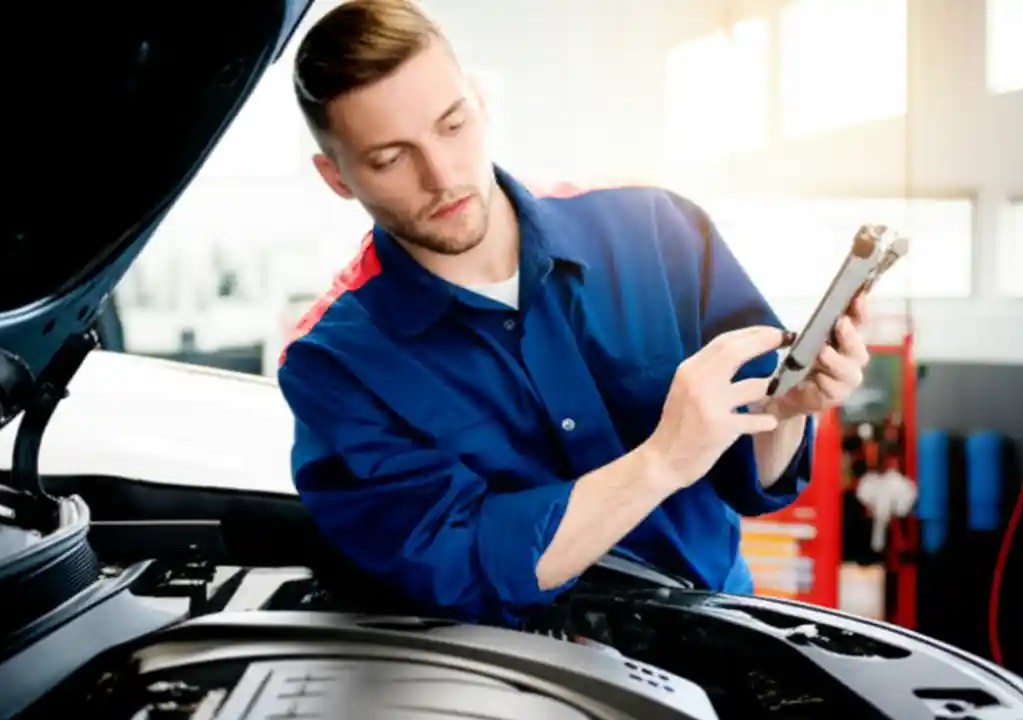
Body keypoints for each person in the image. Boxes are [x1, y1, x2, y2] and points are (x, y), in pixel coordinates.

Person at [277, 0, 870, 628]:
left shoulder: (656, 230)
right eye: (391, 159)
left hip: (718, 634)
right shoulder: (335, 364)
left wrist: (785, 413)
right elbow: (462, 567)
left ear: (479, 100)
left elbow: (749, 477)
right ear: (336, 177)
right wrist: (661, 459)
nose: (442, 174)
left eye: (453, 125)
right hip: (529, 681)